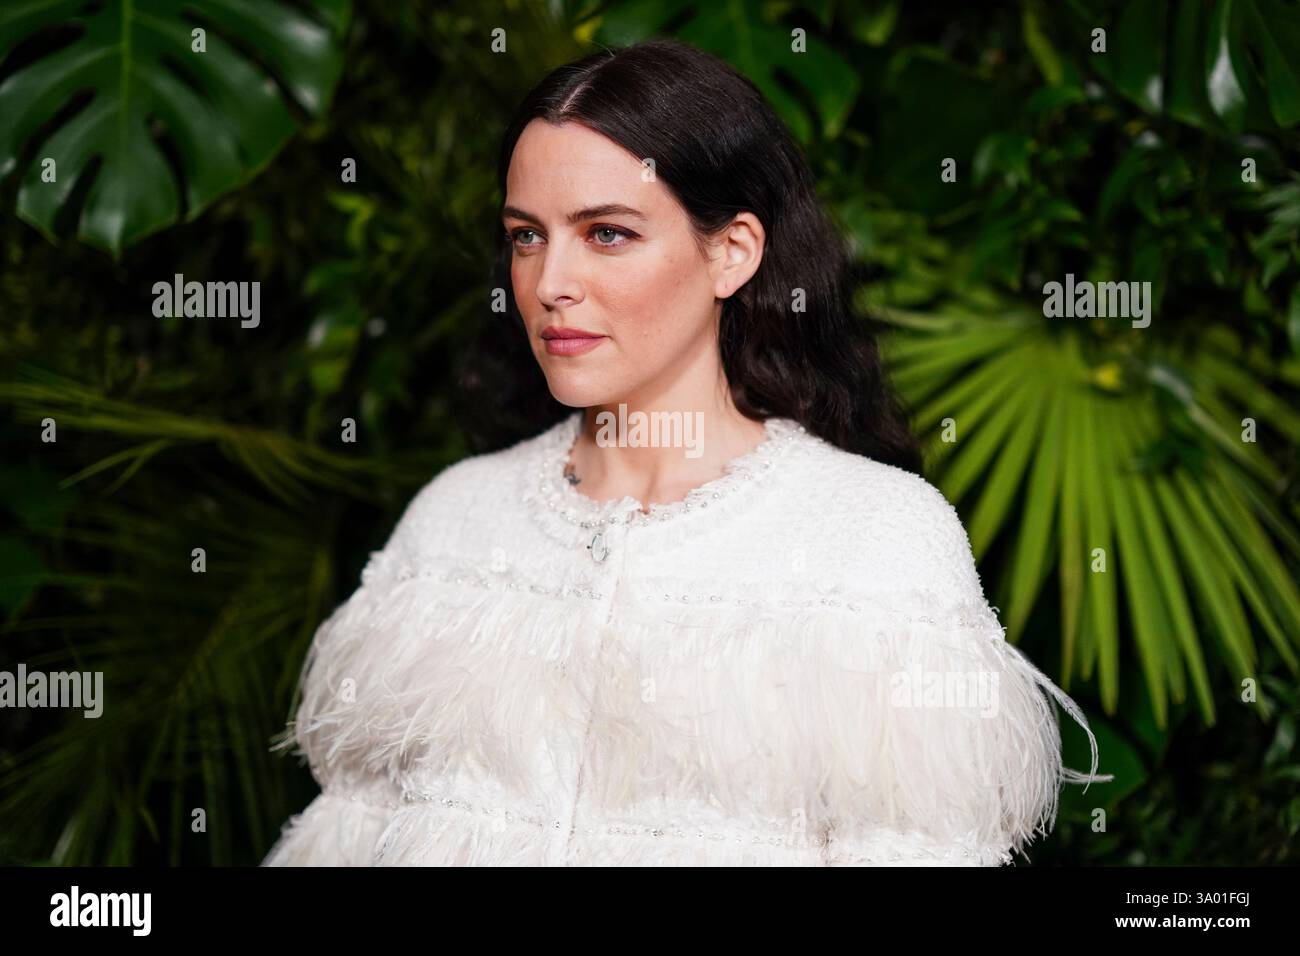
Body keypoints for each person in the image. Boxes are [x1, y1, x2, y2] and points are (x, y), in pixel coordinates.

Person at [263, 37, 1108, 867]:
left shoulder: (874, 540)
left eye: (607, 234)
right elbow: (349, 836)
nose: (551, 281)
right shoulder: (453, 520)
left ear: (732, 251)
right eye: (527, 235)